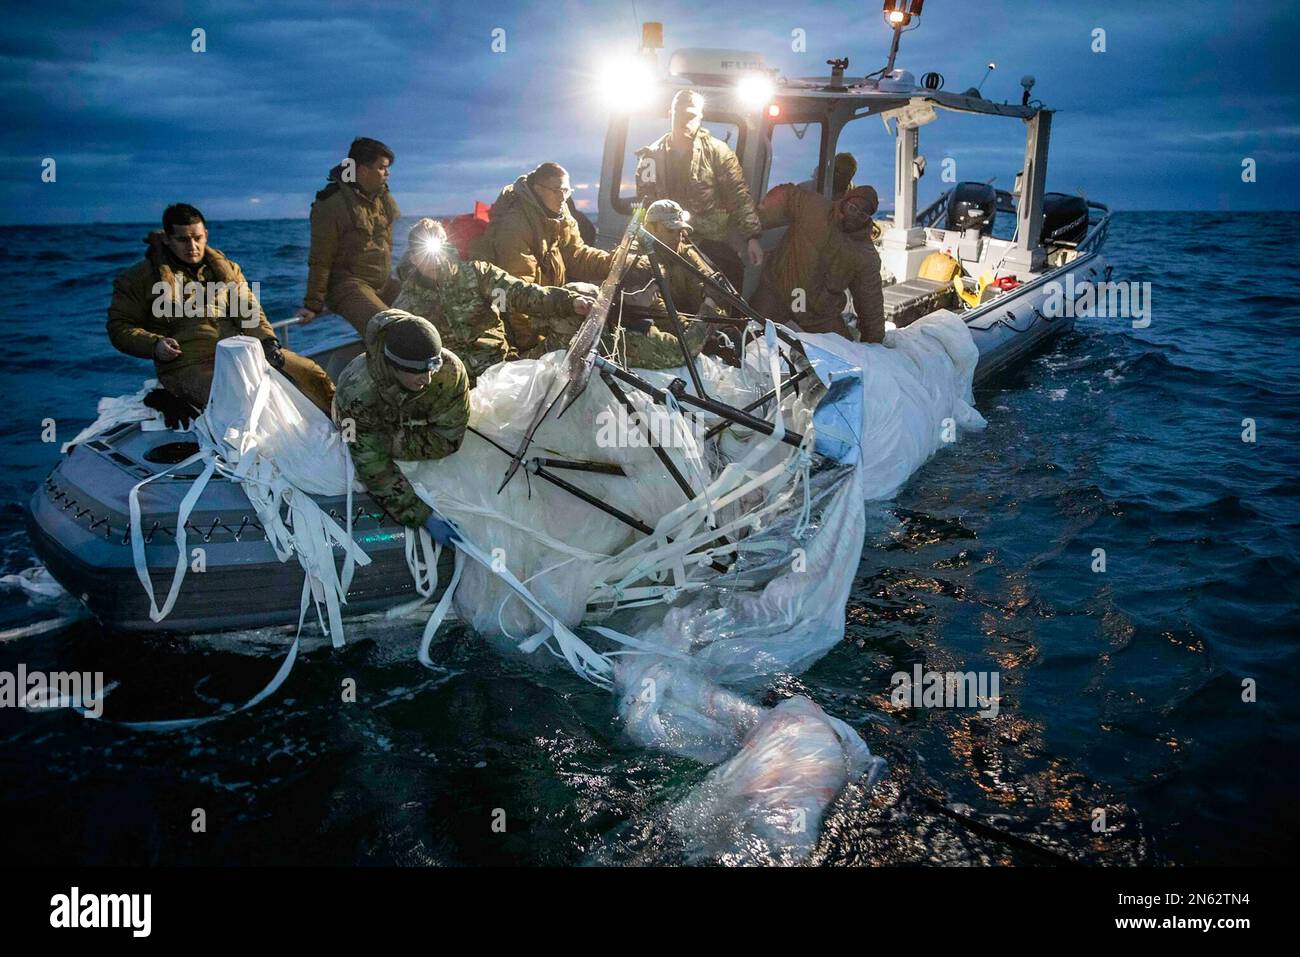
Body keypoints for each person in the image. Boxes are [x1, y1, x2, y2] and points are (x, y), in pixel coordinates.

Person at [106, 203, 335, 414]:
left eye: (197, 238)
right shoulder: (138, 278)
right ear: (167, 239)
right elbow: (119, 327)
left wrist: (268, 343)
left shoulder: (228, 269)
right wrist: (155, 345)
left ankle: (344, 427)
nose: (192, 246)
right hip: (186, 365)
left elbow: (250, 312)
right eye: (183, 240)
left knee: (311, 373)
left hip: (240, 354)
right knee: (239, 396)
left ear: (206, 234)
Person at [393, 219, 594, 384]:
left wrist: (568, 301)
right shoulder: (406, 305)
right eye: (425, 254)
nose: (435, 261)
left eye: (438, 252)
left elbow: (520, 294)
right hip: (456, 388)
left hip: (503, 370)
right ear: (413, 258)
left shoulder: (478, 274)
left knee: (575, 314)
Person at [333, 309, 470, 534]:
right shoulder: (356, 391)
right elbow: (372, 464)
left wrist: (396, 438)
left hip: (397, 427)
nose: (427, 379)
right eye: (417, 372)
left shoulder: (449, 370)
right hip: (363, 424)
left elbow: (449, 439)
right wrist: (420, 516)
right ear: (394, 366)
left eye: (432, 368)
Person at [468, 162, 616, 354]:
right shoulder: (514, 226)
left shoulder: (559, 216)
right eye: (557, 190)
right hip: (520, 321)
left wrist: (614, 263)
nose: (562, 197)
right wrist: (530, 349)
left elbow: (576, 255)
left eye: (566, 191)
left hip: (544, 304)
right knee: (575, 310)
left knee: (592, 296)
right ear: (538, 190)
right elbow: (518, 295)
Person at [634, 89, 763, 293]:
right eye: (680, 115)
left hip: (708, 240)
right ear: (670, 114)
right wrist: (640, 236)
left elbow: (738, 195)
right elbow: (644, 203)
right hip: (666, 240)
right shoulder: (651, 157)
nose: (685, 121)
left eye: (691, 116)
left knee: (729, 276)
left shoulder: (718, 153)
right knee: (641, 278)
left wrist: (752, 237)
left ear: (700, 117)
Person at [751, 183, 885, 343]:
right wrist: (755, 224)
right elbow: (786, 194)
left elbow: (871, 302)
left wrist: (874, 342)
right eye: (853, 208)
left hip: (817, 314)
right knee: (747, 333)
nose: (855, 216)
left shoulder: (865, 255)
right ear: (845, 202)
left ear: (868, 218)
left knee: (844, 353)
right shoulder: (814, 207)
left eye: (862, 214)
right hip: (777, 292)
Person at [296, 137, 401, 335]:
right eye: (382, 168)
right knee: (391, 330)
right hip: (348, 285)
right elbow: (321, 257)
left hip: (383, 283)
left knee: (427, 311)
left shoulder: (381, 198)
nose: (388, 174)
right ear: (362, 170)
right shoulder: (331, 204)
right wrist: (313, 304)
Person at [617, 199, 716, 369]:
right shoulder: (638, 262)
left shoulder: (685, 254)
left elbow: (709, 289)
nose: (678, 238)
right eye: (670, 231)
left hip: (688, 329)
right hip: (653, 336)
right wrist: (698, 330)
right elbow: (663, 315)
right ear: (650, 229)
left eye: (680, 231)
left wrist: (715, 324)